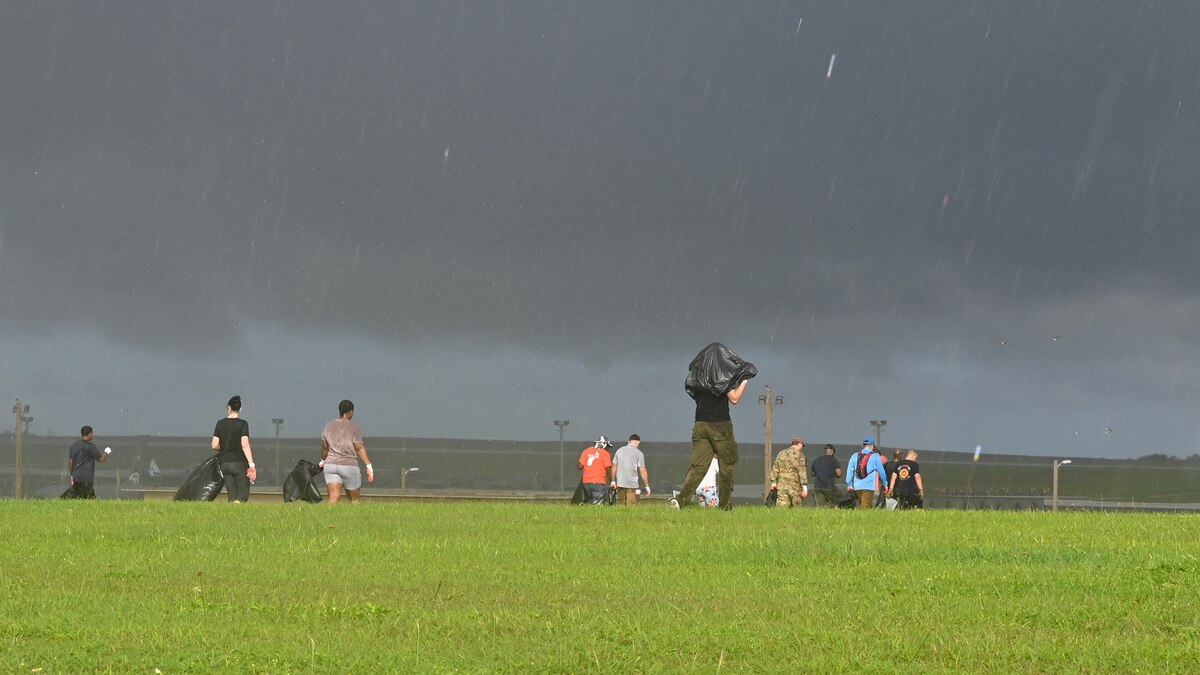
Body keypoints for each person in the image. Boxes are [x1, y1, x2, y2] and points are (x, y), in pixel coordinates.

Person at [671, 344, 752, 510]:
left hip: (700, 425)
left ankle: (680, 500)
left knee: (698, 467)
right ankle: (724, 505)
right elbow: (735, 399)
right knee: (726, 466)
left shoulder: (698, 378)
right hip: (720, 425)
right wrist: (743, 380)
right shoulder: (722, 377)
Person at [320, 399, 374, 504]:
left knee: (333, 497)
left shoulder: (328, 426)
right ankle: (357, 520)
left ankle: (326, 519)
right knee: (354, 500)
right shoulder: (354, 426)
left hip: (330, 465)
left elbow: (325, 448)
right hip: (348, 466)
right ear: (351, 412)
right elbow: (359, 447)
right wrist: (369, 466)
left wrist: (322, 461)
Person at [212, 394, 257, 503]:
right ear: (240, 409)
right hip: (239, 463)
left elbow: (214, 445)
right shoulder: (243, 424)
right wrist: (251, 465)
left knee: (232, 497)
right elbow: (245, 445)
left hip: (225, 464)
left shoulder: (220, 423)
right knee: (242, 496)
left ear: (229, 407)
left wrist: (224, 448)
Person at [66, 426, 111, 499]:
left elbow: (71, 462)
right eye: (92, 433)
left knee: (76, 496)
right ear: (89, 434)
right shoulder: (90, 446)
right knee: (88, 499)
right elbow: (101, 459)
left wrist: (72, 475)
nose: (93, 435)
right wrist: (107, 452)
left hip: (76, 477)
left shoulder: (73, 446)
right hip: (86, 478)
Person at [846, 438, 888, 509]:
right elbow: (881, 472)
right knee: (865, 509)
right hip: (868, 487)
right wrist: (885, 484)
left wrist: (849, 484)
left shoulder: (854, 455)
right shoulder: (875, 456)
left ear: (863, 445)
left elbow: (850, 471)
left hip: (857, 487)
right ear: (872, 446)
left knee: (866, 506)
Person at [769, 435, 809, 508]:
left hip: (782, 486)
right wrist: (804, 486)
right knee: (797, 510)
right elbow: (802, 471)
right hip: (795, 487)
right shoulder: (800, 455)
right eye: (802, 445)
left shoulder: (781, 453)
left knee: (781, 510)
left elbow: (775, 468)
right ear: (800, 443)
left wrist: (773, 482)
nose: (802, 447)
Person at [611, 434, 650, 505]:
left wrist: (613, 481)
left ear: (629, 441)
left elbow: (614, 466)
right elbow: (642, 470)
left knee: (621, 506)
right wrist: (647, 486)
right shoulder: (639, 453)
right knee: (631, 506)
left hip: (620, 483)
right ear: (638, 442)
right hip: (632, 485)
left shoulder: (619, 450)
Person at [577, 436, 613, 505]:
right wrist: (612, 481)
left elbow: (580, 466)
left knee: (589, 502)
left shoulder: (586, 451)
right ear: (604, 444)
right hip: (598, 482)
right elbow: (608, 469)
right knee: (599, 503)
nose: (608, 448)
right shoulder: (605, 454)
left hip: (586, 482)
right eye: (607, 446)